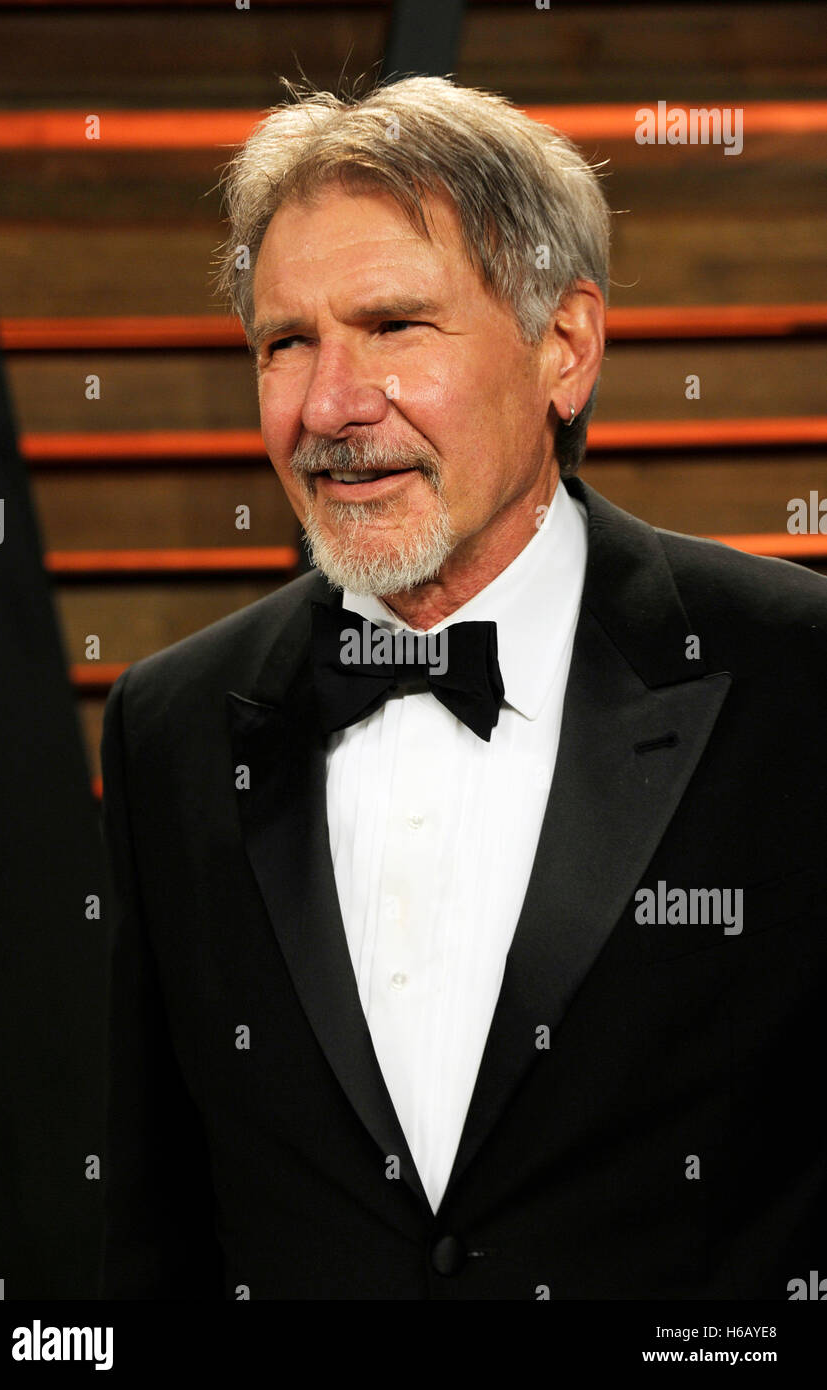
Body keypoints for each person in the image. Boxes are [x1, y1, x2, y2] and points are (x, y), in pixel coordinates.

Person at [97, 76, 827, 1300]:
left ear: (566, 347)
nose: (330, 406)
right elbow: (154, 1230)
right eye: (286, 344)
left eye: (393, 326)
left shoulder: (797, 680)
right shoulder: (172, 724)